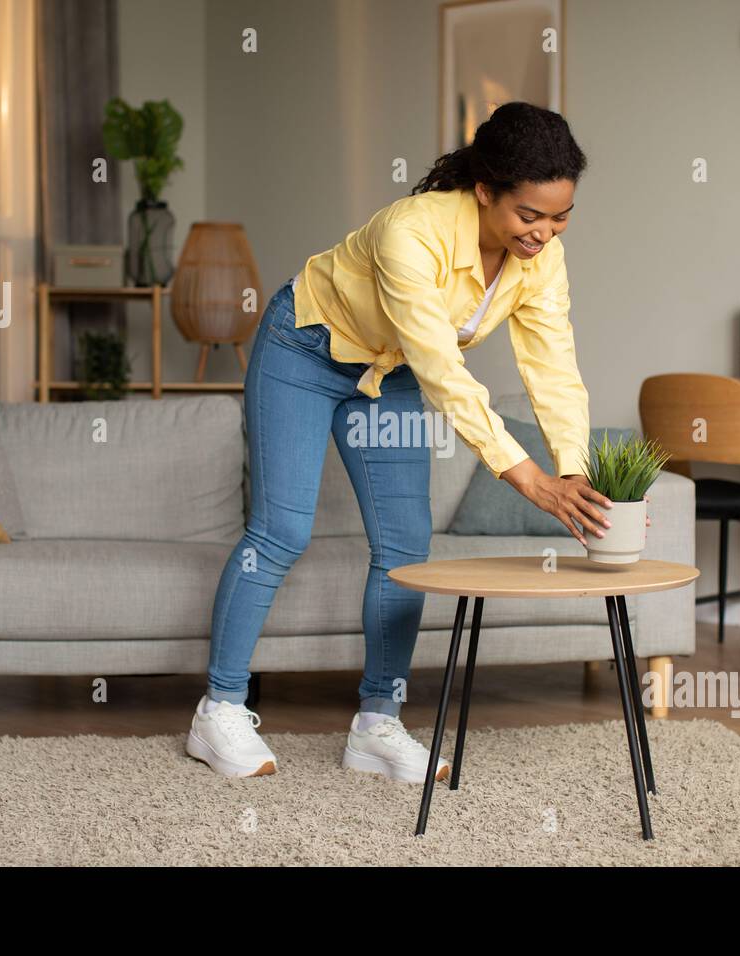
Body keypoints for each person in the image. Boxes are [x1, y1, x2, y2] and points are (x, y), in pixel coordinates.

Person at [187, 102, 614, 781]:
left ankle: (377, 725)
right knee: (281, 531)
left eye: (560, 216)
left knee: (405, 546)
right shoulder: (409, 233)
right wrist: (526, 476)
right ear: (484, 190)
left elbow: (553, 366)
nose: (544, 232)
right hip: (306, 350)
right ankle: (219, 711)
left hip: (393, 374)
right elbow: (444, 369)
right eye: (529, 216)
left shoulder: (542, 263)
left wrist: (574, 472)